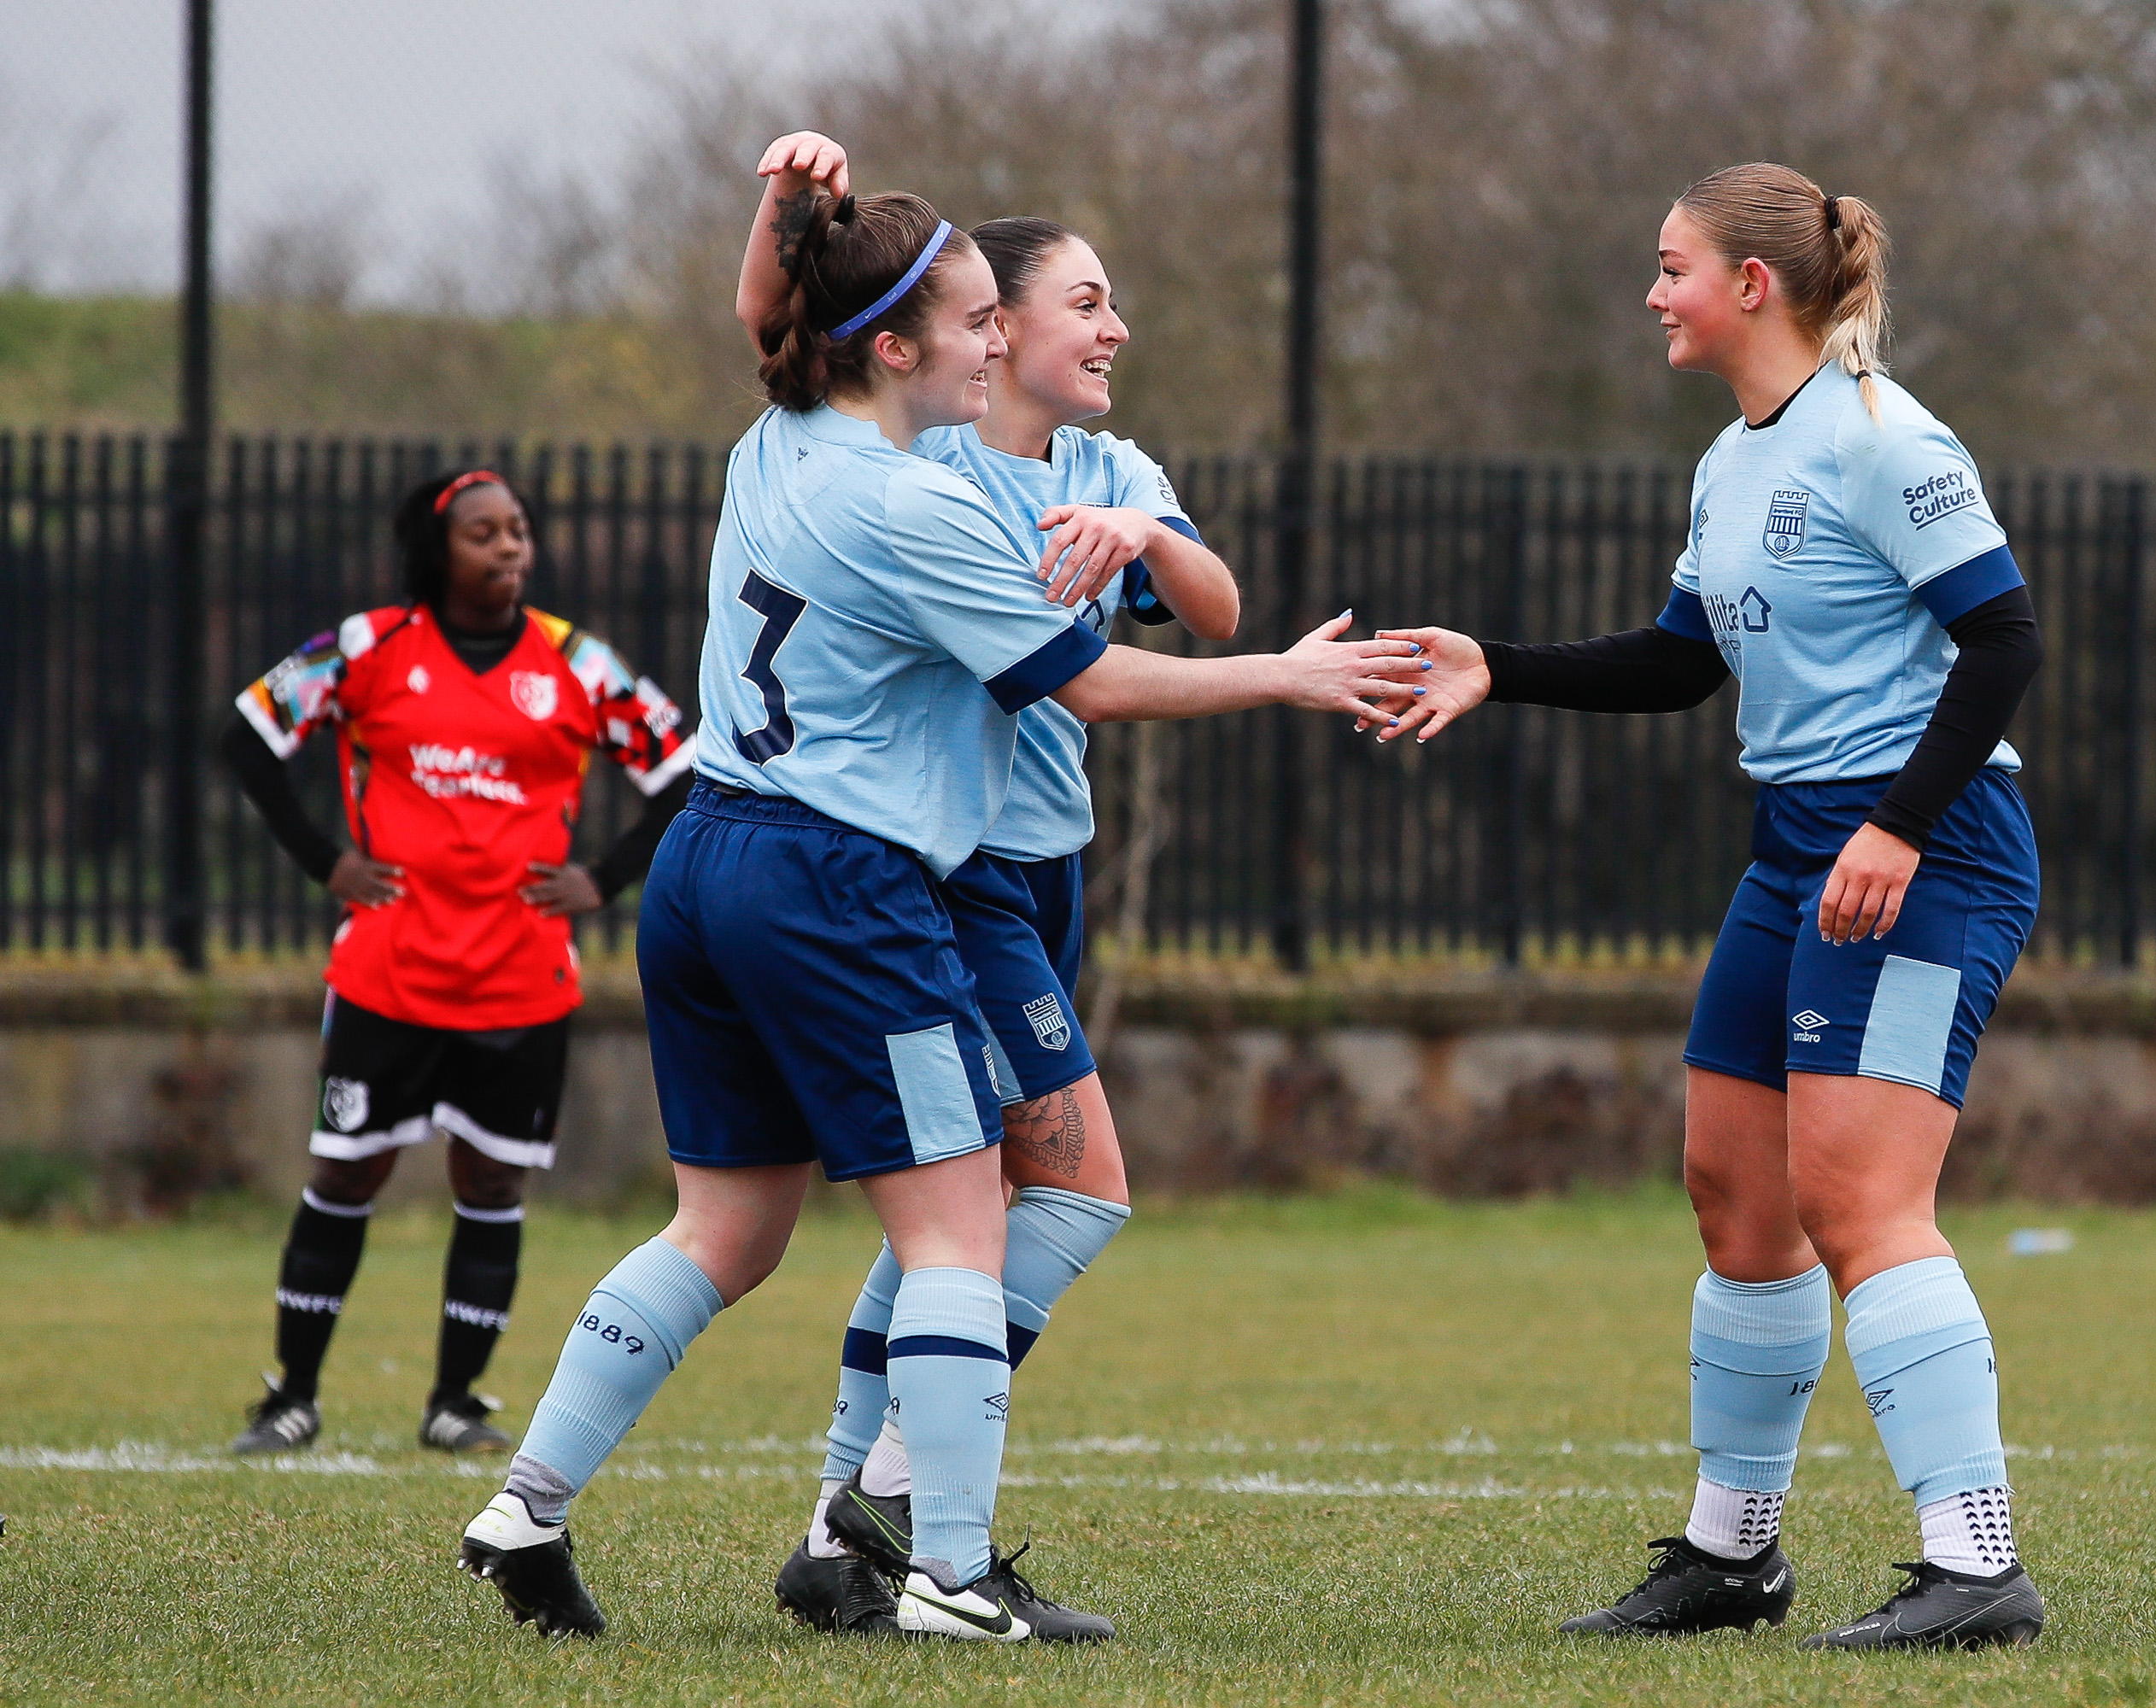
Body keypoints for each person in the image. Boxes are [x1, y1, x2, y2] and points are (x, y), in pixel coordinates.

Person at [456, 184, 1428, 1644]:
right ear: (893, 348)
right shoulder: (912, 501)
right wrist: (1286, 677)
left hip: (711, 862)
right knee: (966, 1226)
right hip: (839, 886)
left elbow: (772, 321)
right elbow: (1091, 682)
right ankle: (947, 1576)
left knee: (726, 1228)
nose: (996, 346)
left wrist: (787, 206)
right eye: (978, 321)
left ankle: (522, 1507)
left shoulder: (773, 440)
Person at [1379, 164, 2048, 1652]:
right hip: (1795, 849)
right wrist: (1501, 662)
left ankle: (1977, 1560)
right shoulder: (1730, 459)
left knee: (1862, 1206)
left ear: (1753, 284)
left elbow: (2003, 641)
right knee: (1736, 1201)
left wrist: (1898, 825)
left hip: (1930, 851)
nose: (1651, 290)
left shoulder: (1886, 438)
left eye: (1670, 265)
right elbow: (1683, 660)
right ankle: (1731, 1558)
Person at [730, 134, 1244, 1637]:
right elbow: (775, 331)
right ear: (993, 327)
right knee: (1071, 1195)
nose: (1115, 327)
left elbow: (1212, 605)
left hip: (1047, 869)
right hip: (949, 881)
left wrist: (1143, 534)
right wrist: (785, 205)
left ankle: (844, 1528)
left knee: (962, 1215)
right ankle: (888, 1499)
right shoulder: (914, 453)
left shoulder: (1109, 466)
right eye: (1087, 300)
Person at [223, 468, 694, 1459]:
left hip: (521, 980)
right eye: (485, 532)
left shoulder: (577, 662)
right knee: (344, 1173)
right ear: (439, 550)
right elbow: (247, 733)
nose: (509, 546)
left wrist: (602, 878)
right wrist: (326, 860)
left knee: (491, 1184)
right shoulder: (368, 646)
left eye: (518, 529)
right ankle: (291, 1396)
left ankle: (455, 1401)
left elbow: (684, 765)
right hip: (386, 973)